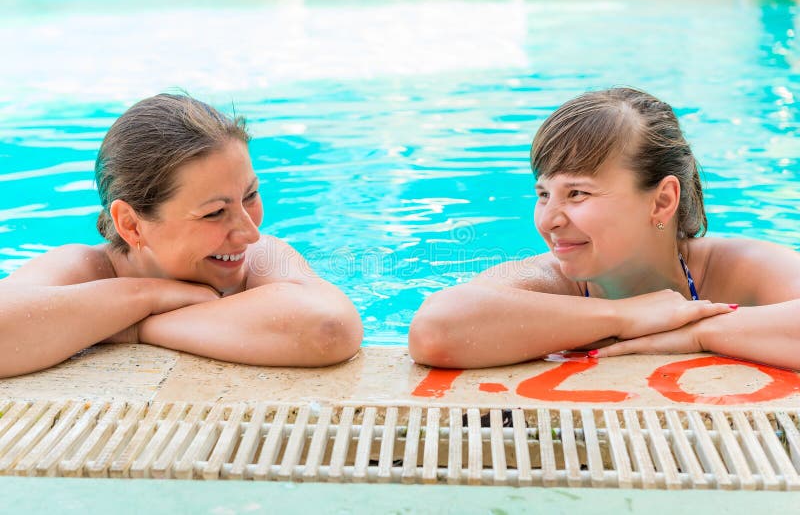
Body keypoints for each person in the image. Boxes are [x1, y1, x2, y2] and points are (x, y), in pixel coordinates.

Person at [409, 87, 800, 371]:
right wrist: (624, 317)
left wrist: (699, 333)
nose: (549, 220)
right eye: (544, 194)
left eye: (577, 193)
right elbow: (434, 330)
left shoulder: (737, 268)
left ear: (662, 201)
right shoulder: (548, 278)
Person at [0, 94, 362, 378]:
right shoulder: (86, 268)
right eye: (215, 213)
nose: (250, 233)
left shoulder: (260, 259)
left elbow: (329, 328)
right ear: (131, 225)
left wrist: (137, 328)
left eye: (250, 195)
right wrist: (149, 294)